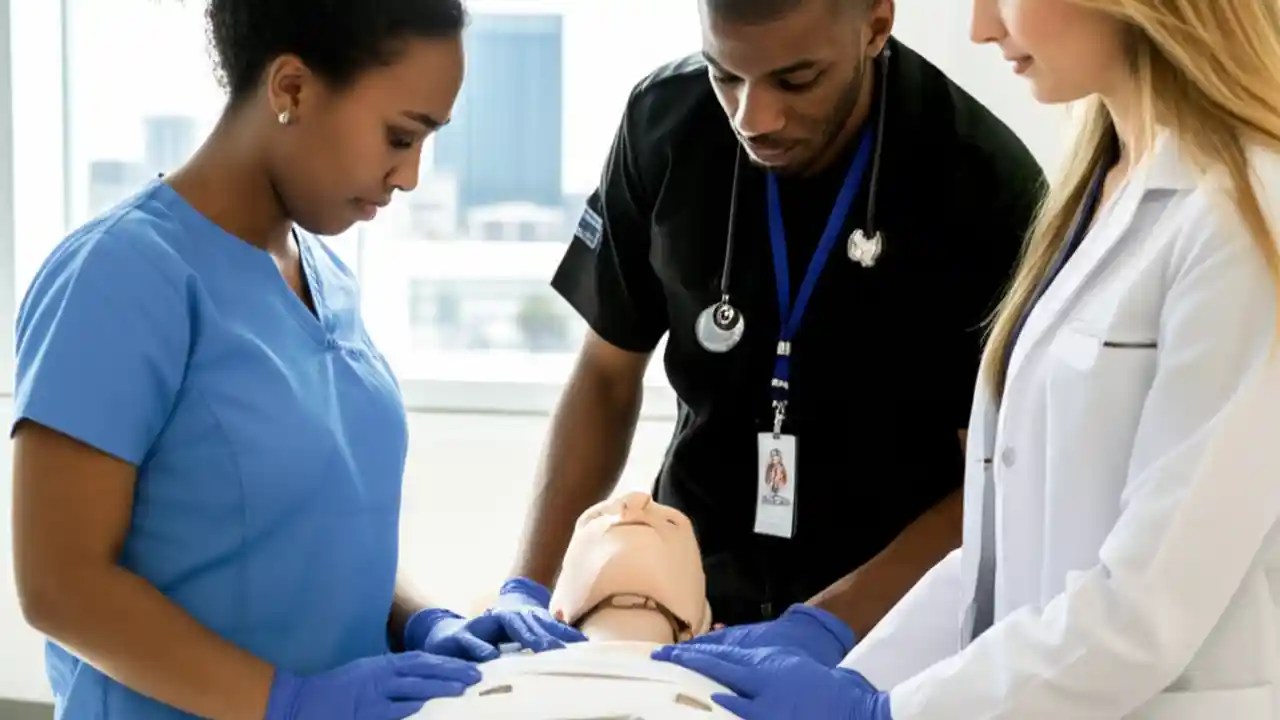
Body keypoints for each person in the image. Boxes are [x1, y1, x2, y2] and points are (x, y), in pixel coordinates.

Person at [653, 0, 1280, 717]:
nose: (982, 26)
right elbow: (1002, 552)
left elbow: (1152, 605)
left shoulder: (1249, 214)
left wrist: (881, 712)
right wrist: (851, 656)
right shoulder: (1100, 188)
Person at [9, 2, 582, 719]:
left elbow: (311, 533)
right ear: (291, 90)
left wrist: (421, 621)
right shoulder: (119, 275)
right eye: (400, 136)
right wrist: (285, 701)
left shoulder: (325, 275)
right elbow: (61, 586)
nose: (409, 176)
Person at [513, 0, 1046, 660]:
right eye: (725, 74)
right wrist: (527, 592)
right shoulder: (665, 123)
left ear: (877, 25)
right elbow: (604, 378)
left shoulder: (980, 178)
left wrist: (824, 628)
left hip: (887, 624)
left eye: (796, 80)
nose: (752, 117)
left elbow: (993, 477)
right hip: (695, 599)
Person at [419, 491, 849, 719]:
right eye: (596, 520)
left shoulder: (784, 697)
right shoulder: (457, 673)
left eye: (671, 522)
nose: (636, 502)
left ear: (706, 625)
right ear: (554, 610)